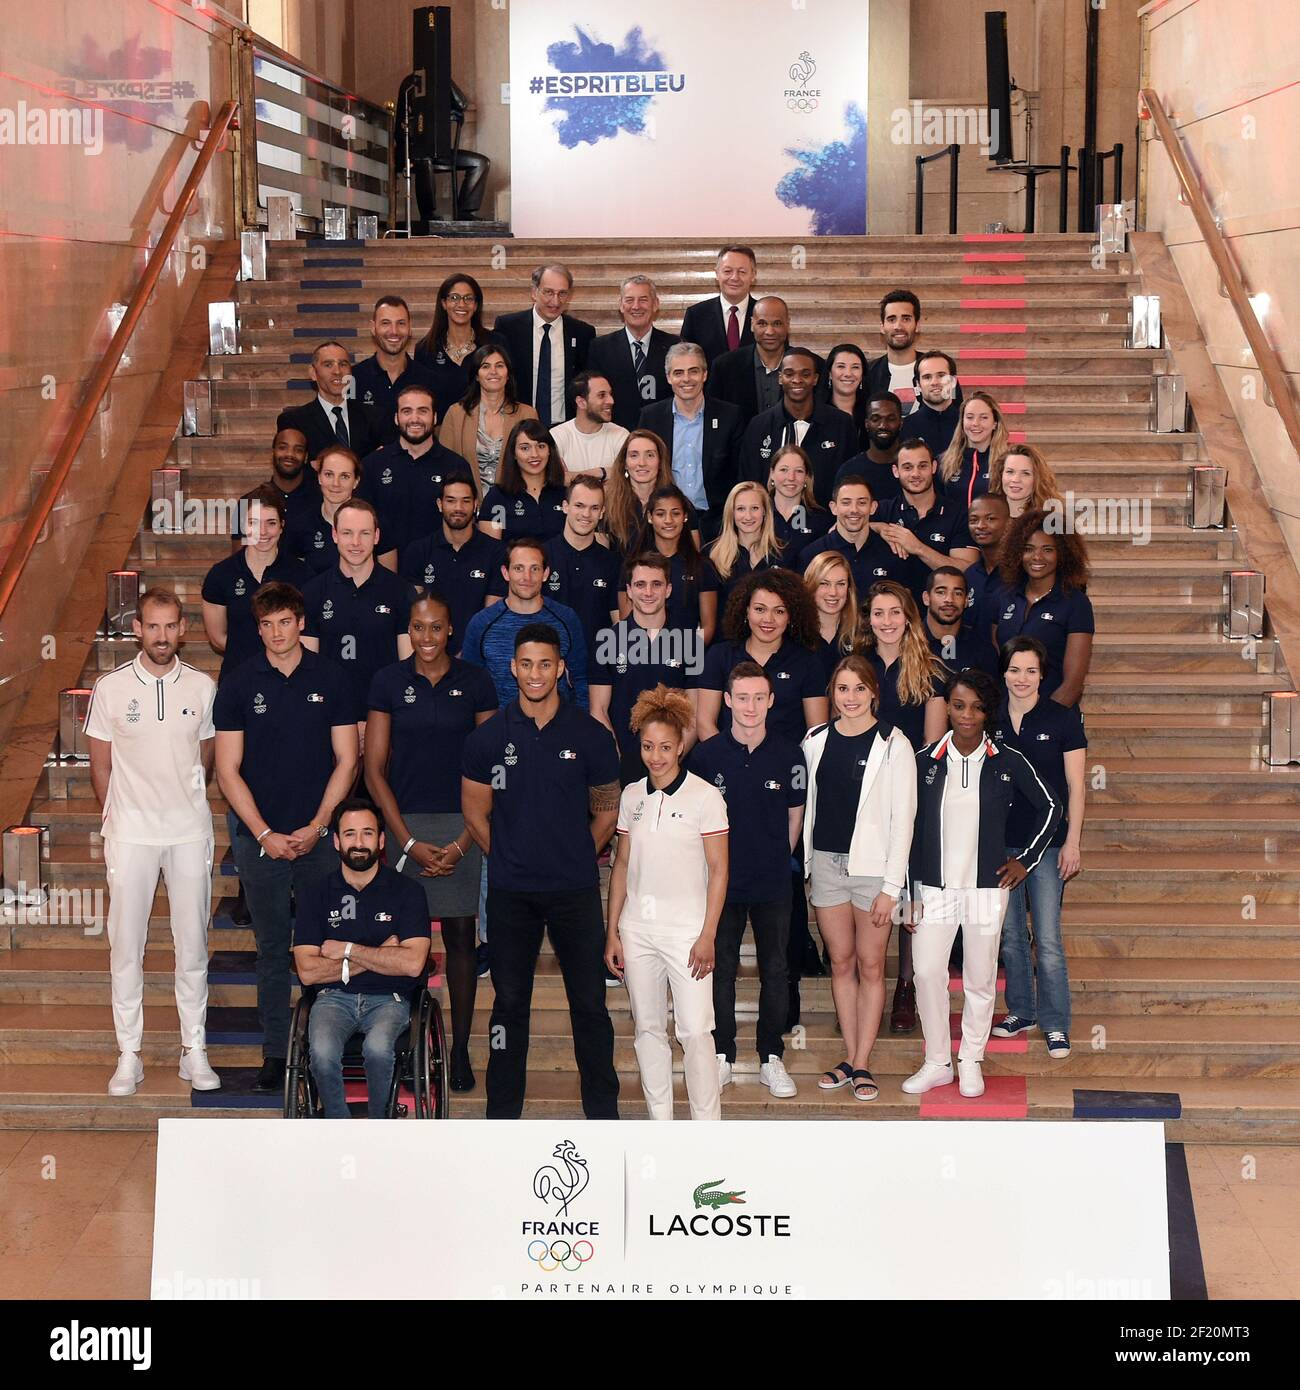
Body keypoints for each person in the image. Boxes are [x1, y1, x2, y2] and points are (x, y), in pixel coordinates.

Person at [462, 624, 622, 1118]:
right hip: (511, 894)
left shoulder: (591, 736)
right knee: (509, 1007)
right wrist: (507, 856)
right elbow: (474, 812)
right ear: (513, 667)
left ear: (560, 669)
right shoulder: (488, 738)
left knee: (590, 1006)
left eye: (545, 664)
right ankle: (502, 1117)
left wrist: (576, 856)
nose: (535, 673)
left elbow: (608, 811)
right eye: (526, 664)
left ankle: (603, 1115)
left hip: (574, 891)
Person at [214, 581, 360, 1090]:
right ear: (258, 630)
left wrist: (319, 826)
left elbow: (348, 759)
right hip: (263, 843)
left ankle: (331, 1049)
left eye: (285, 622)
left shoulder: (332, 678)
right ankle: (276, 1053)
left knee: (328, 945)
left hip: (320, 840)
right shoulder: (236, 684)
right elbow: (227, 771)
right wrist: (264, 833)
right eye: (267, 625)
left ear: (301, 623)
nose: (277, 633)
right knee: (274, 949)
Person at [86, 587, 220, 1097]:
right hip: (131, 835)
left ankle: (194, 1050)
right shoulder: (111, 687)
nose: (162, 636)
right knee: (127, 947)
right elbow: (100, 764)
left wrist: (183, 802)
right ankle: (129, 1055)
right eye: (153, 626)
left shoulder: (203, 688)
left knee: (192, 946)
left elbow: (205, 759)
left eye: (170, 626)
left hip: (189, 832)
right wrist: (120, 817)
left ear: (182, 628)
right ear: (137, 628)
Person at [901, 668, 1061, 1099]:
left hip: (986, 890)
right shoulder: (923, 761)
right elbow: (902, 831)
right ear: (947, 708)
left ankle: (970, 1058)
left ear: (988, 711)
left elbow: (1051, 807)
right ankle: (937, 1061)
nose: (966, 714)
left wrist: (1024, 861)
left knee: (979, 978)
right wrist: (905, 895)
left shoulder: (1007, 760)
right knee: (927, 972)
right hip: (932, 891)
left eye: (976, 706)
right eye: (958, 705)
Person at [365, 591, 498, 1091]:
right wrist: (404, 841)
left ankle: (459, 1050)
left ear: (450, 631)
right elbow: (374, 770)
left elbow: (491, 769)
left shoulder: (477, 682)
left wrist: (466, 840)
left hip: (465, 825)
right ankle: (403, 1043)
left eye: (436, 628)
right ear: (409, 630)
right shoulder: (387, 682)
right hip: (405, 826)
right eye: (418, 628)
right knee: (401, 942)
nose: (426, 638)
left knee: (463, 941)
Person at [605, 685, 729, 1120]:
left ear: (681, 746)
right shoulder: (632, 797)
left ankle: (705, 1127)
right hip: (637, 931)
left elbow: (719, 870)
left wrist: (708, 934)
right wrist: (614, 932)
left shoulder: (705, 798)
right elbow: (621, 866)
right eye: (647, 747)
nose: (655, 756)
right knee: (647, 1030)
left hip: (689, 935)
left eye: (664, 747)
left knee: (695, 1031)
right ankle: (661, 1123)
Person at [804, 655, 917, 1102]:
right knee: (841, 963)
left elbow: (903, 820)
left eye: (858, 689)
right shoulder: (814, 740)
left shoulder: (895, 744)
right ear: (833, 693)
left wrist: (893, 888)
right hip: (826, 865)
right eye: (842, 689)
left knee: (871, 966)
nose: (849, 698)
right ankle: (850, 1058)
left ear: (873, 691)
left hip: (873, 873)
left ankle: (864, 1060)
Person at [690, 662, 805, 1097]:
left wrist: (776, 858)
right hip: (722, 884)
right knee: (720, 969)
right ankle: (722, 1055)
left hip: (773, 882)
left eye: (759, 697)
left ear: (771, 700)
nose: (750, 706)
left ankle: (771, 1057)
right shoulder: (706, 756)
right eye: (742, 697)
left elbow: (795, 816)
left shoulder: (789, 754)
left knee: (776, 970)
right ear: (727, 700)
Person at [291, 799, 432, 1117]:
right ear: (337, 841)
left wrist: (347, 949)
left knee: (379, 1050)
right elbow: (308, 972)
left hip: (390, 998)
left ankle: (378, 1124)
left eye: (367, 833)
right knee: (323, 1053)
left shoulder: (408, 891)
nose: (359, 843)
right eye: (350, 834)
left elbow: (412, 964)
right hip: (331, 998)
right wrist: (378, 954)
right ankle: (339, 1125)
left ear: (381, 841)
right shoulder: (315, 893)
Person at [991, 637, 1086, 1059]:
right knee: (1010, 935)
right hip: (1000, 846)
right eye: (1014, 670)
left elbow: (1076, 786)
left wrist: (1073, 841)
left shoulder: (1063, 719)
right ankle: (1022, 1011)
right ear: (1004, 673)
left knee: (1046, 937)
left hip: (1047, 845)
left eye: (1030, 670)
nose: (1022, 679)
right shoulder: (989, 719)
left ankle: (1055, 1022)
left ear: (1042, 675)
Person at [862, 578, 948, 1034]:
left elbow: (932, 745)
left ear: (909, 616)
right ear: (869, 619)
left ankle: (905, 985)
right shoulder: (858, 666)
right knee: (873, 884)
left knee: (909, 889)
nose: (887, 621)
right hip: (865, 793)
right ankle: (865, 981)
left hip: (912, 789)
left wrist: (904, 794)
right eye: (879, 613)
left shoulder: (929, 669)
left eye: (895, 612)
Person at [300, 496, 416, 748]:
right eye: (347, 533)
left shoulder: (401, 591)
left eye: (364, 533)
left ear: (376, 536)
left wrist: (375, 722)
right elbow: (310, 669)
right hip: (329, 723)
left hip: (386, 722)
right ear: (334, 535)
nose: (355, 542)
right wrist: (343, 723)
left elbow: (406, 668)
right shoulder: (312, 593)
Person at [590, 553, 702, 786]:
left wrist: (674, 757)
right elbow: (598, 709)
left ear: (668, 589)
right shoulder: (607, 640)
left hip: (675, 766)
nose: (648, 592)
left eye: (656, 584)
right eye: (640, 585)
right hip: (624, 762)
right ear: (629, 590)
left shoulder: (690, 641)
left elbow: (695, 711)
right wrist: (616, 758)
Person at [695, 569, 827, 745]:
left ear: (790, 616)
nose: (768, 619)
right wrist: (730, 760)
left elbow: (816, 734)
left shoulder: (808, 662)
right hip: (728, 766)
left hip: (787, 766)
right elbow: (704, 724)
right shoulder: (719, 656)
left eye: (779, 611)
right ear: (746, 610)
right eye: (760, 609)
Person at [202, 486, 313, 684]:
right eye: (254, 523)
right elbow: (218, 638)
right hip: (238, 680)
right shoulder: (221, 574)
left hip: (288, 680)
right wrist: (252, 657)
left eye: (271, 523)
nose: (262, 532)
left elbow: (308, 634)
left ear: (282, 526)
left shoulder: (302, 574)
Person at [461, 537, 589, 707]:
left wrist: (578, 724)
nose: (526, 577)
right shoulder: (481, 623)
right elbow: (469, 685)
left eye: (534, 569)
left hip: (557, 728)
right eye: (518, 568)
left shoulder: (567, 619)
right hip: (500, 729)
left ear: (545, 573)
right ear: (506, 573)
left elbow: (580, 679)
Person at [637, 342, 744, 540]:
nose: (686, 379)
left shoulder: (730, 416)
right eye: (678, 373)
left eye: (693, 371)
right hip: (665, 522)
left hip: (716, 523)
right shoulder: (651, 417)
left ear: (705, 374)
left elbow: (739, 473)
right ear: (669, 377)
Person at [994, 507, 1094, 706]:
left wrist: (1039, 722)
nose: (1037, 557)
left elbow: (1072, 685)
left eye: (1047, 549)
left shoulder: (1075, 604)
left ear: (1063, 554)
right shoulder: (1004, 597)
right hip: (1006, 716)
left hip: (1054, 719)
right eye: (1029, 549)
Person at [397, 470, 502, 655]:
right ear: (440, 504)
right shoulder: (418, 551)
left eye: (466, 501)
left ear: (476, 504)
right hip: (428, 657)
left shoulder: (495, 552)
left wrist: (465, 657)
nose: (458, 508)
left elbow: (491, 617)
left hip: (477, 658)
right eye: (451, 500)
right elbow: (414, 614)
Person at [356, 382, 465, 555]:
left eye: (423, 411)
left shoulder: (455, 465)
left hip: (440, 570)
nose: (415, 419)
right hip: (385, 572)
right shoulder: (372, 465)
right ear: (396, 418)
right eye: (407, 411)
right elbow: (361, 522)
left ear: (435, 418)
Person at [740, 347, 857, 506]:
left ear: (815, 379)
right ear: (780, 378)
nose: (797, 380)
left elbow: (850, 481)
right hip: (770, 523)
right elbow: (748, 482)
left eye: (805, 374)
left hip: (824, 522)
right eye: (789, 374)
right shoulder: (759, 426)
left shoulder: (841, 424)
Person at [870, 436, 979, 603]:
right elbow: (841, 529)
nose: (916, 474)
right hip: (893, 618)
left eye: (922, 466)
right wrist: (878, 527)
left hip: (941, 618)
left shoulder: (958, 514)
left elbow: (968, 571)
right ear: (895, 471)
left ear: (933, 467)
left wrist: (918, 548)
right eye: (907, 467)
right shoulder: (882, 511)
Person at [491, 263, 595, 424]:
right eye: (548, 292)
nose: (555, 301)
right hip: (517, 424)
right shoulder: (508, 328)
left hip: (565, 428)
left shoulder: (582, 333)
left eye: (562, 293)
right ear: (534, 292)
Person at [622, 485, 718, 643]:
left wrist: (679, 657)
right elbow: (626, 621)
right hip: (640, 657)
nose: (668, 520)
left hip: (687, 659)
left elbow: (708, 628)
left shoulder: (702, 567)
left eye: (675, 513)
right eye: (661, 514)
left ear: (685, 517)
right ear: (650, 517)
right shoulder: (633, 565)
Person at [436, 343, 538, 493]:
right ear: (476, 375)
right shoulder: (456, 413)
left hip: (515, 503)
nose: (493, 372)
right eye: (485, 366)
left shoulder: (528, 414)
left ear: (508, 374)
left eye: (499, 366)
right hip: (467, 505)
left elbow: (535, 464)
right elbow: (444, 464)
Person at [536, 474, 621, 652]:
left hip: (597, 666)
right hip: (549, 664)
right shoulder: (540, 556)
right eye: (579, 506)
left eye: (594, 508)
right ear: (565, 507)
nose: (586, 514)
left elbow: (618, 622)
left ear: (602, 512)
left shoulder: (612, 562)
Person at [711, 296, 825, 427]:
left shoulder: (814, 366)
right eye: (762, 323)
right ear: (752, 324)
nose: (769, 331)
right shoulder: (724, 367)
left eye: (777, 323)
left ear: (787, 324)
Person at [586, 275, 679, 430]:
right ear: (621, 305)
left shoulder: (674, 346)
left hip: (662, 435)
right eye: (629, 300)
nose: (636, 306)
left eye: (643, 300)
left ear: (655, 304)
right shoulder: (600, 348)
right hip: (614, 435)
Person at [396, 74, 490, 225]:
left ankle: (465, 211)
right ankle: (428, 213)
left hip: (439, 150)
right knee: (424, 157)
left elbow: (462, 103)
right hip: (411, 148)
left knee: (481, 162)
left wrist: (444, 77)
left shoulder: (440, 79)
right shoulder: (412, 82)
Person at [351, 295, 439, 446]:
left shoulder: (429, 380)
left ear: (410, 328)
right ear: (373, 327)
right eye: (386, 323)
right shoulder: (352, 379)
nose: (394, 331)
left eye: (401, 323)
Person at [800, 474, 908, 596]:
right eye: (846, 503)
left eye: (861, 503)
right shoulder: (812, 555)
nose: (854, 510)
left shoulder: (892, 552)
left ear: (873, 507)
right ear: (834, 507)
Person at [414, 274, 502, 420]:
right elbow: (421, 400)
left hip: (487, 435)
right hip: (439, 435)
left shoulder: (495, 344)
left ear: (475, 305)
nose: (461, 304)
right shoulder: (425, 349)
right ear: (443, 303)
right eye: (454, 298)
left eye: (468, 298)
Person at [276, 341, 379, 462]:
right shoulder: (294, 421)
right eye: (328, 365)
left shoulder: (375, 417)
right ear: (313, 373)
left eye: (343, 364)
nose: (337, 371)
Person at [284, 444, 376, 576]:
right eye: (328, 474)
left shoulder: (374, 522)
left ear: (356, 481)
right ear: (319, 477)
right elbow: (295, 578)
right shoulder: (300, 526)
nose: (335, 483)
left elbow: (386, 580)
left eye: (344, 476)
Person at [705, 481, 790, 611]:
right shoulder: (710, 554)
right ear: (731, 513)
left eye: (755, 508)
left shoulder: (784, 553)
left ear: (765, 511)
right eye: (740, 509)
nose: (748, 516)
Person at [480, 419, 567, 543]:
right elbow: (492, 551)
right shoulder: (497, 498)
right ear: (514, 453)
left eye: (541, 446)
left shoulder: (565, 495)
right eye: (525, 448)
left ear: (549, 451)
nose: (534, 454)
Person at [602, 429, 684, 557]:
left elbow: (690, 560)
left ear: (660, 462)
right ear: (625, 463)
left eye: (650, 455)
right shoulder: (607, 503)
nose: (642, 463)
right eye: (634, 455)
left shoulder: (679, 503)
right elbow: (601, 559)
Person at [233, 428, 318, 545]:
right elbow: (239, 559)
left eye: (298, 450)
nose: (290, 454)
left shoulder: (320, 501)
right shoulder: (247, 503)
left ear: (306, 457)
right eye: (283, 447)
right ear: (273, 452)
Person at [678, 244, 758, 363]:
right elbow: (685, 363)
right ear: (717, 273)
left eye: (742, 272)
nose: (734, 277)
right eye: (727, 271)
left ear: (753, 274)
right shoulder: (696, 315)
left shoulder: (766, 314)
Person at [550, 371, 629, 479]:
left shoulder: (621, 435)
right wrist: (603, 473)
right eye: (602, 395)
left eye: (610, 394)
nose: (611, 401)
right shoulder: (557, 436)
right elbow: (558, 481)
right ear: (581, 402)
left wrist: (574, 476)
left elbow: (624, 479)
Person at [939, 390, 1011, 509]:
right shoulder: (944, 462)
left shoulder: (1007, 462)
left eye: (983, 417)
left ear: (995, 423)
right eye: (969, 417)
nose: (975, 423)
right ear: (962, 422)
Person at [923, 567, 998, 675]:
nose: (949, 599)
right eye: (941, 592)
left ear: (966, 600)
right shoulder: (906, 642)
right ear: (926, 598)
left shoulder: (982, 650)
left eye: (957, 593)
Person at [834, 392, 906, 503]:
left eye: (890, 419)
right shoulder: (849, 471)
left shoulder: (912, 470)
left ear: (901, 423)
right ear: (867, 424)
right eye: (876, 419)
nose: (883, 425)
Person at [804, 549, 862, 683]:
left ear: (849, 589)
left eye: (840, 584)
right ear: (811, 586)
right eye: (824, 584)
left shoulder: (862, 633)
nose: (833, 592)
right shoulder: (795, 634)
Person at [768, 443, 831, 562]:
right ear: (772, 474)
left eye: (799, 471)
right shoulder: (756, 514)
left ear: (807, 477)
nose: (791, 477)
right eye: (784, 470)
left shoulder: (821, 520)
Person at [964, 491, 1012, 649]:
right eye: (974, 520)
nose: (981, 526)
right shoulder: (969, 576)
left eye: (990, 519)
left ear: (1009, 523)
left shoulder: (1022, 574)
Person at [866, 289, 922, 406]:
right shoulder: (868, 374)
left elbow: (953, 416)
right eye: (891, 319)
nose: (898, 326)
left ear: (917, 325)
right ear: (882, 327)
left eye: (906, 319)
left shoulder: (939, 369)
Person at [908, 350, 963, 458]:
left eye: (941, 375)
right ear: (918, 385)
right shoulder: (906, 428)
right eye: (927, 377)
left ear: (953, 381)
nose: (935, 382)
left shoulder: (968, 425)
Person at [991, 442, 1064, 517]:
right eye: (1010, 472)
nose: (1016, 479)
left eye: (1025, 473)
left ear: (1037, 479)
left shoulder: (1051, 520)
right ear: (1001, 474)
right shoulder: (985, 512)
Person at [819, 343, 871, 445]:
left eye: (855, 367)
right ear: (830, 373)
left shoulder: (871, 412)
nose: (848, 373)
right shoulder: (816, 412)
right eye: (841, 366)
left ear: (862, 374)